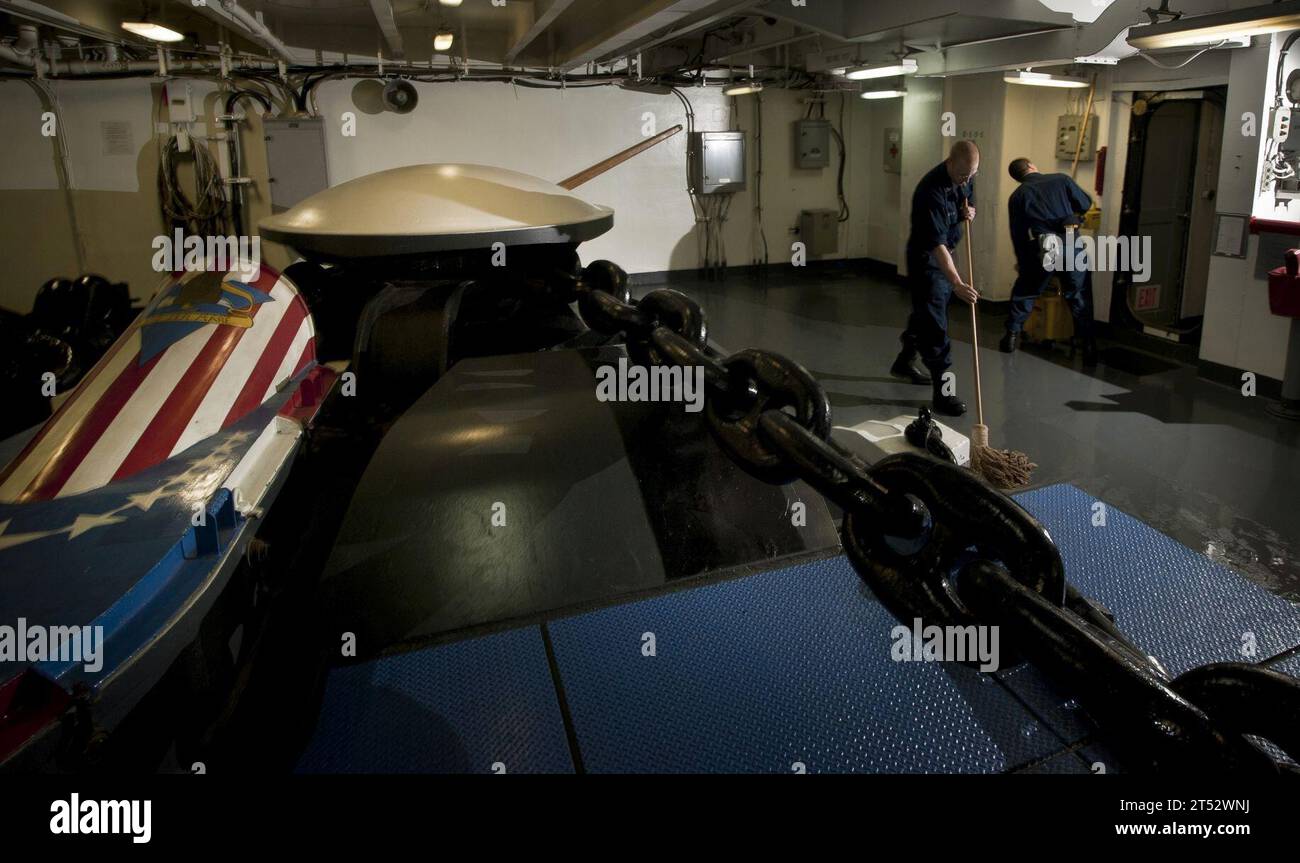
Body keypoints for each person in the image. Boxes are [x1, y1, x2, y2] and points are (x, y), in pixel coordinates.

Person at [890, 140, 979, 417]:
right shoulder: (930, 191)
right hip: (927, 259)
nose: (967, 180)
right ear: (950, 163)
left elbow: (967, 202)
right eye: (963, 174)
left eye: (972, 175)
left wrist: (969, 212)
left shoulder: (966, 176)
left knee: (925, 314)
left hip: (945, 253)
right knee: (935, 323)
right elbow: (936, 245)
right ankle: (944, 393)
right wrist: (957, 282)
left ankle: (904, 361)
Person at [1001, 157, 1098, 365]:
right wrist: (1070, 215)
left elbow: (1018, 234)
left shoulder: (1018, 196)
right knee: (1079, 295)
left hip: (1044, 248)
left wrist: (1023, 261)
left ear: (1018, 177)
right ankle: (1089, 345)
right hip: (1071, 245)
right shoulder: (1061, 180)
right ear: (1032, 165)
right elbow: (1085, 203)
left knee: (1026, 291)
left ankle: (1011, 336)